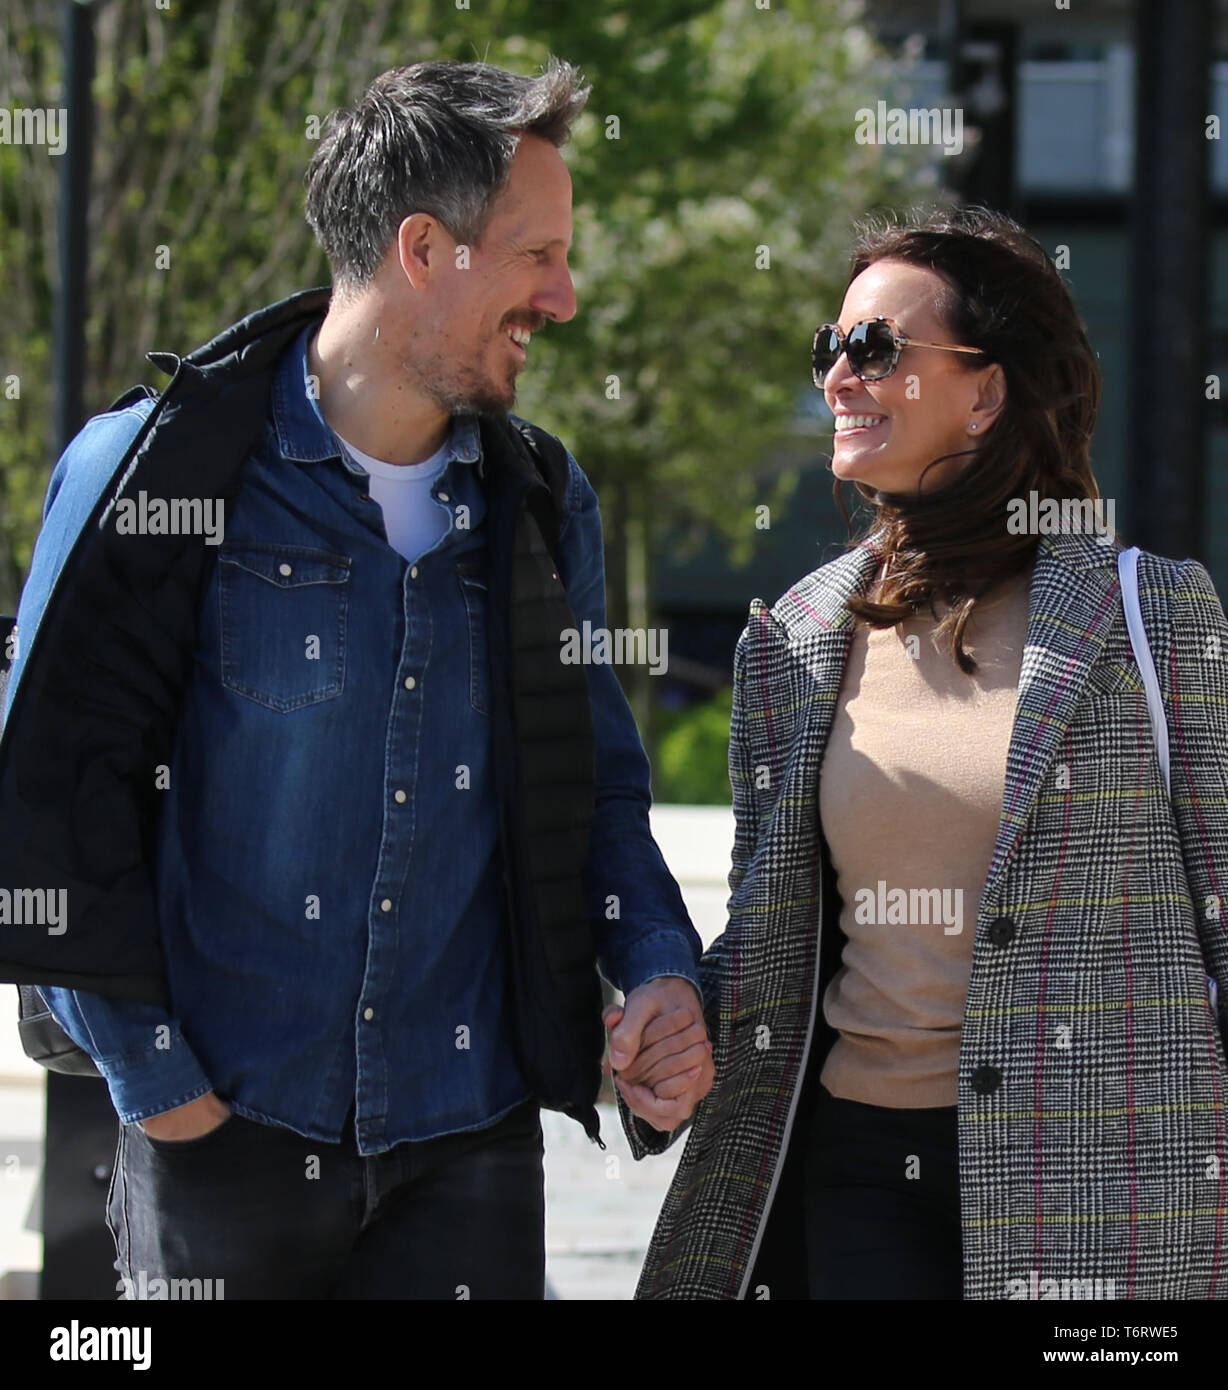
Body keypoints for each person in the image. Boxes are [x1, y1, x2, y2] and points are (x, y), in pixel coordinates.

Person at [0, 58, 714, 1300]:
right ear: (423, 248)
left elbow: (594, 788)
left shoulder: (542, 502)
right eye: (536, 255)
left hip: (468, 1151)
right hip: (220, 1143)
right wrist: (162, 1091)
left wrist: (658, 964)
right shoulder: (150, 473)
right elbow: (57, 802)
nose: (566, 294)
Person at [615, 204, 1228, 1300]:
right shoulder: (796, 636)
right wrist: (672, 1034)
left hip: (1105, 1194)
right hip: (856, 1178)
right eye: (829, 349)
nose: (839, 376)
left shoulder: (1152, 615)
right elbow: (774, 933)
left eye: (876, 347)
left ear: (987, 392)